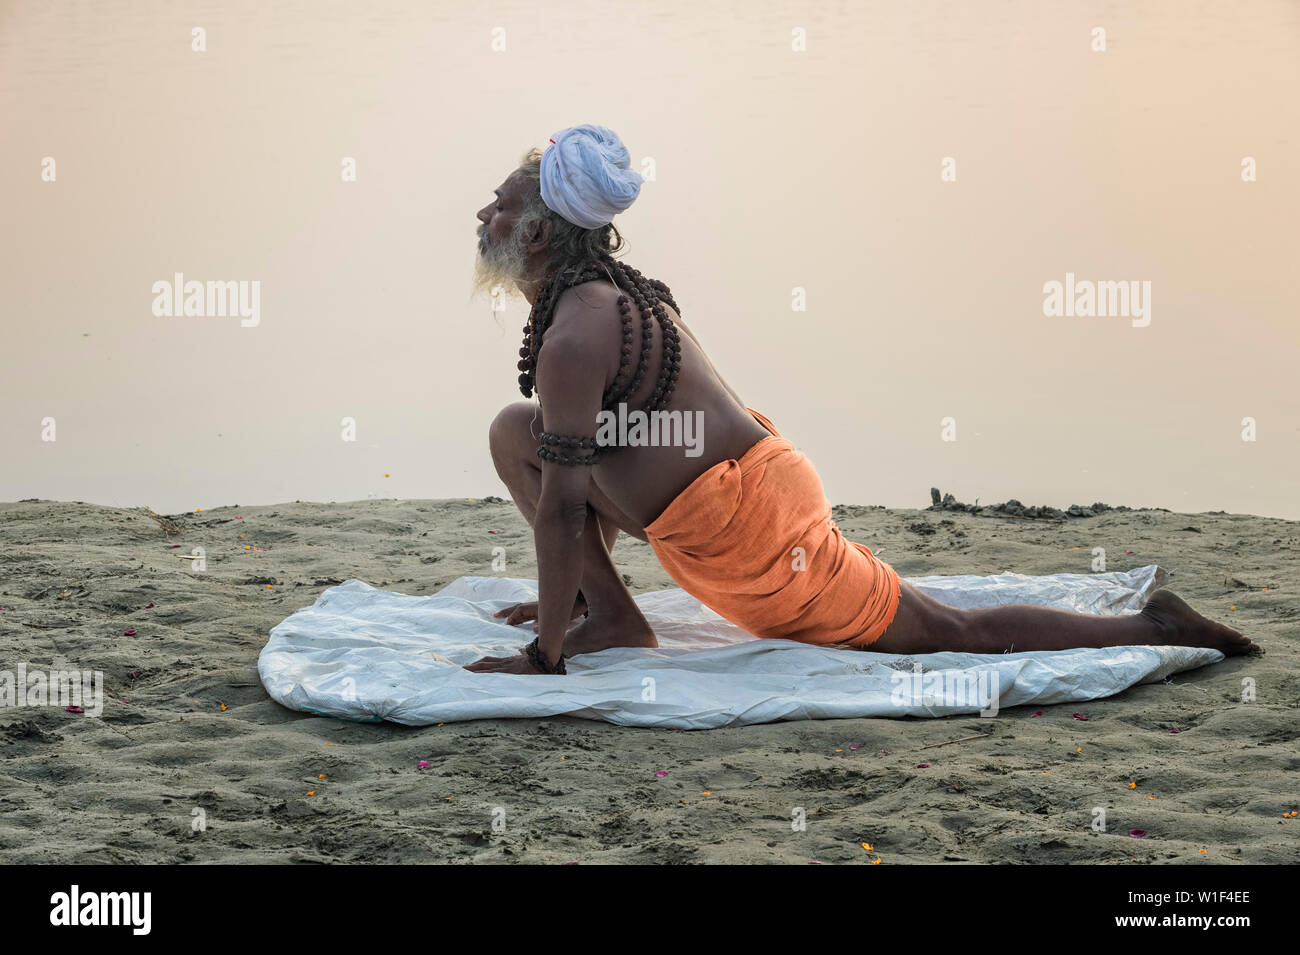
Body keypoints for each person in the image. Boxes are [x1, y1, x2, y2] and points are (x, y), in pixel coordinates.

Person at [466, 124, 1257, 675]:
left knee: (950, 633)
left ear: (537, 236)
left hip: (754, 533)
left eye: (498, 202)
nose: (482, 213)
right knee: (517, 433)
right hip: (713, 504)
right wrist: (558, 595)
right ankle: (605, 611)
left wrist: (543, 655)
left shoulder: (577, 331)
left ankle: (1153, 625)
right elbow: (580, 462)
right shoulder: (594, 298)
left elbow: (569, 508)